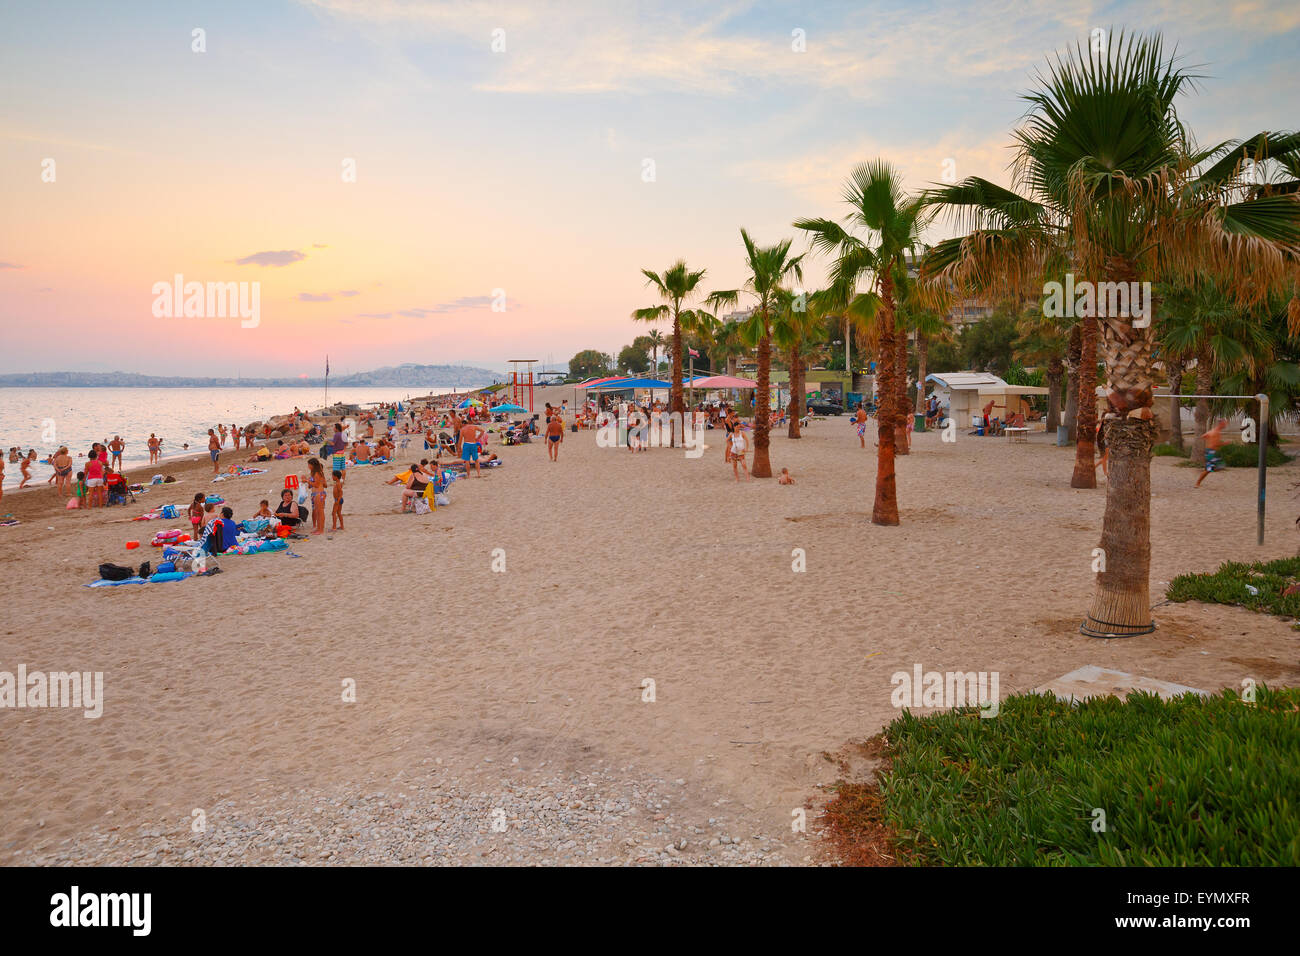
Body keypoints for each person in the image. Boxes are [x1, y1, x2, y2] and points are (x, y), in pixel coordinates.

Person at [1196, 419, 1228, 488]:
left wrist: (1209, 439)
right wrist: (1224, 443)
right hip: (1211, 452)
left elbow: (1204, 436)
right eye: (1224, 424)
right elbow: (1217, 444)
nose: (1225, 425)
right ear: (1220, 424)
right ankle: (1197, 483)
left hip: (1211, 452)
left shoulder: (1214, 431)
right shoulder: (1216, 432)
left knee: (1220, 466)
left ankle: (1212, 468)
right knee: (1208, 469)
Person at [306, 457, 327, 534]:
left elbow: (317, 485)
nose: (308, 466)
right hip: (316, 494)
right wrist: (308, 481)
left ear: (312, 465)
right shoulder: (314, 473)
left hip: (319, 493)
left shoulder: (317, 473)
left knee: (320, 512)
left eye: (309, 464)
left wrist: (307, 481)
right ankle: (318, 528)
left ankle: (321, 530)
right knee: (318, 512)